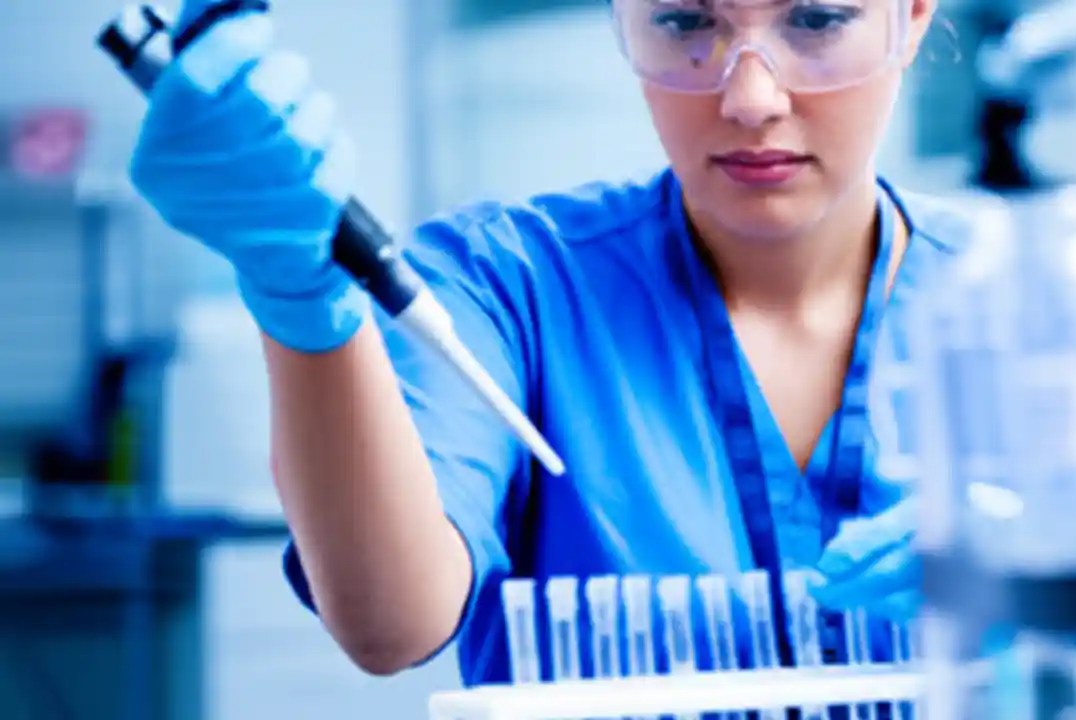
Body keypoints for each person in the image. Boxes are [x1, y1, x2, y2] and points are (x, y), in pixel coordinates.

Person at [130, 0, 973, 685]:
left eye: (818, 19)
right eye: (685, 22)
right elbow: (391, 623)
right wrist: (300, 298)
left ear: (911, 18)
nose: (751, 98)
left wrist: (1062, 553)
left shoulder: (1018, 303)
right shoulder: (505, 284)